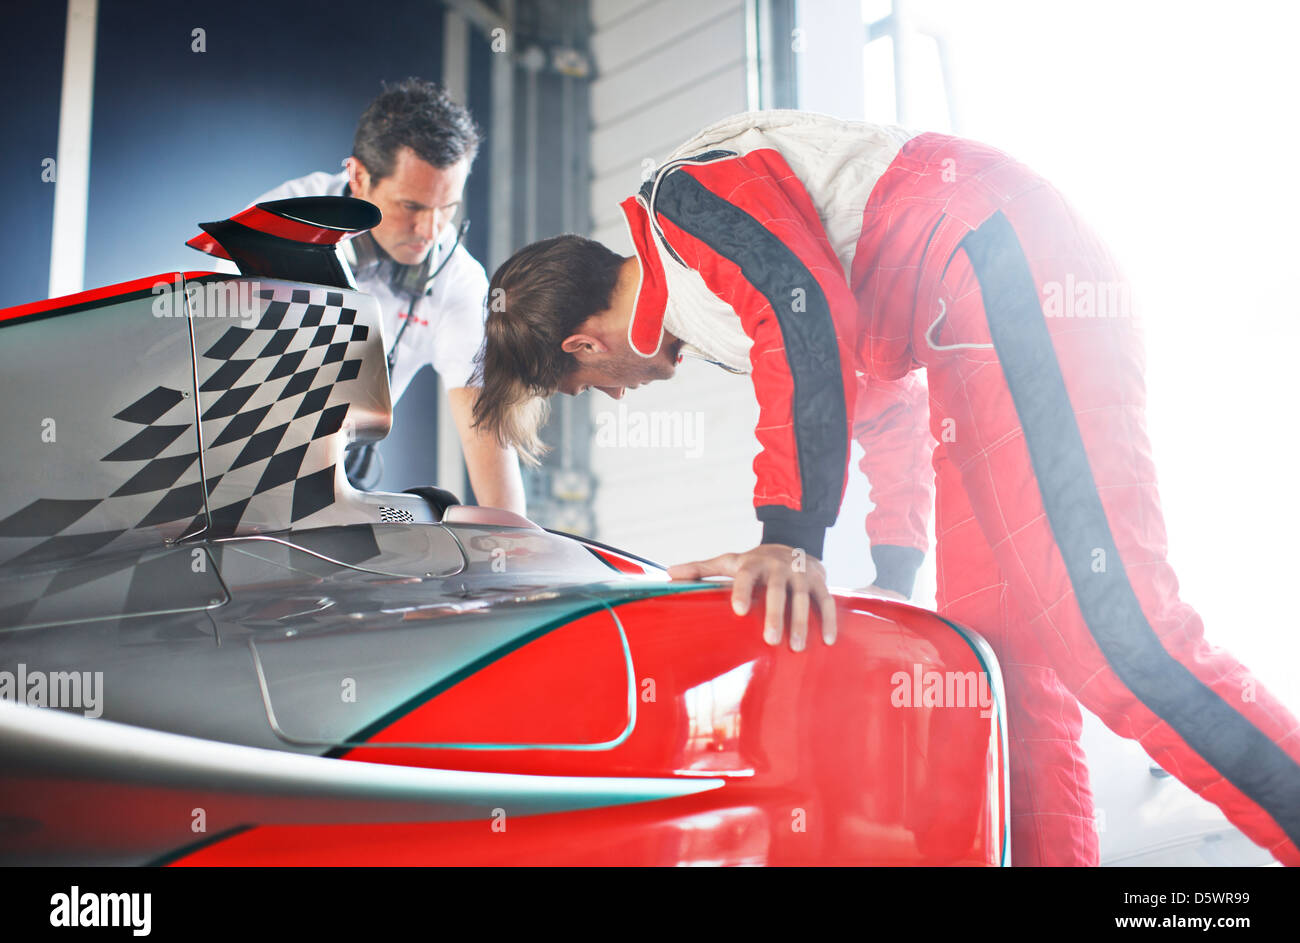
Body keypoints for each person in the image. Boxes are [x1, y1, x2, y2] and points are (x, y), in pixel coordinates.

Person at [468, 109, 1300, 866]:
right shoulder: (704, 309)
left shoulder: (682, 203)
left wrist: (789, 540)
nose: (616, 394)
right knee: (996, 664)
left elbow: (806, 317)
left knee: (1114, 634)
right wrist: (896, 569)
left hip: (1007, 263)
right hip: (961, 339)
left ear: (581, 348)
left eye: (587, 388)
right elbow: (879, 396)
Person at [253, 77, 525, 512]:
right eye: (412, 207)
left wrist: (515, 557)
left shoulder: (457, 281)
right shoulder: (279, 225)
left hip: (338, 474)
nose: (431, 232)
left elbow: (488, 432)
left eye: (448, 209)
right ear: (358, 177)